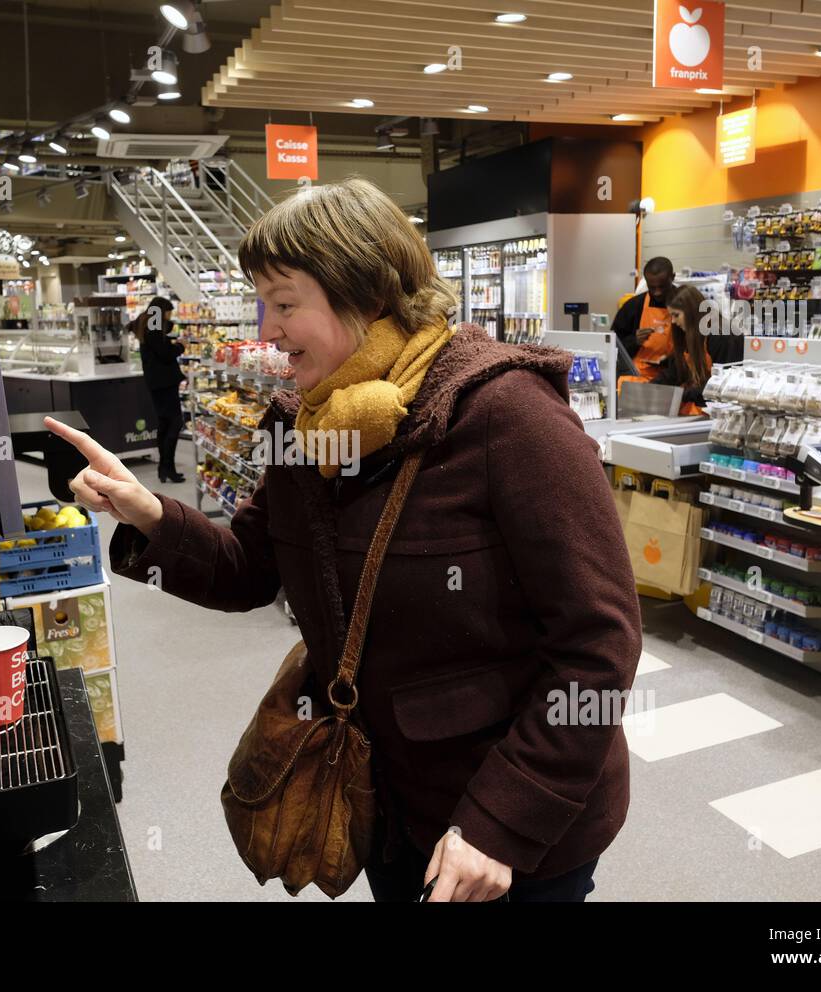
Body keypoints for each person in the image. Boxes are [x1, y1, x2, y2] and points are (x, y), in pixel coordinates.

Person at [46, 177, 641, 903]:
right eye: (265, 303)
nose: (268, 330)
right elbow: (248, 568)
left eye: (286, 303)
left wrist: (501, 822)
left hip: (513, 834)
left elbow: (600, 642)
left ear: (364, 295)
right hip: (381, 801)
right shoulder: (308, 428)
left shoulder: (507, 417)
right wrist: (150, 516)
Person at [653, 285, 740, 416]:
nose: (673, 321)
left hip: (723, 414)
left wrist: (683, 394)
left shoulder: (722, 337)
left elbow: (724, 385)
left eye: (676, 315)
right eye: (671, 316)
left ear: (691, 311)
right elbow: (676, 370)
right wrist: (652, 387)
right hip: (701, 409)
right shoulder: (690, 334)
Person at [132, 296, 186, 483]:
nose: (170, 316)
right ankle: (167, 467)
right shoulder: (153, 326)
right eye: (169, 312)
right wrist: (180, 347)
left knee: (164, 424)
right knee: (175, 423)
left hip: (156, 382)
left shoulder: (146, 322)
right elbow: (164, 353)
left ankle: (164, 468)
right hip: (164, 382)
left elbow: (162, 336)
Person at [612, 256, 677, 378]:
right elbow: (614, 346)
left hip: (675, 376)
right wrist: (633, 341)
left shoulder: (686, 305)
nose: (657, 292)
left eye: (662, 286)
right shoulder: (633, 306)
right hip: (637, 376)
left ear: (672, 278)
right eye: (652, 287)